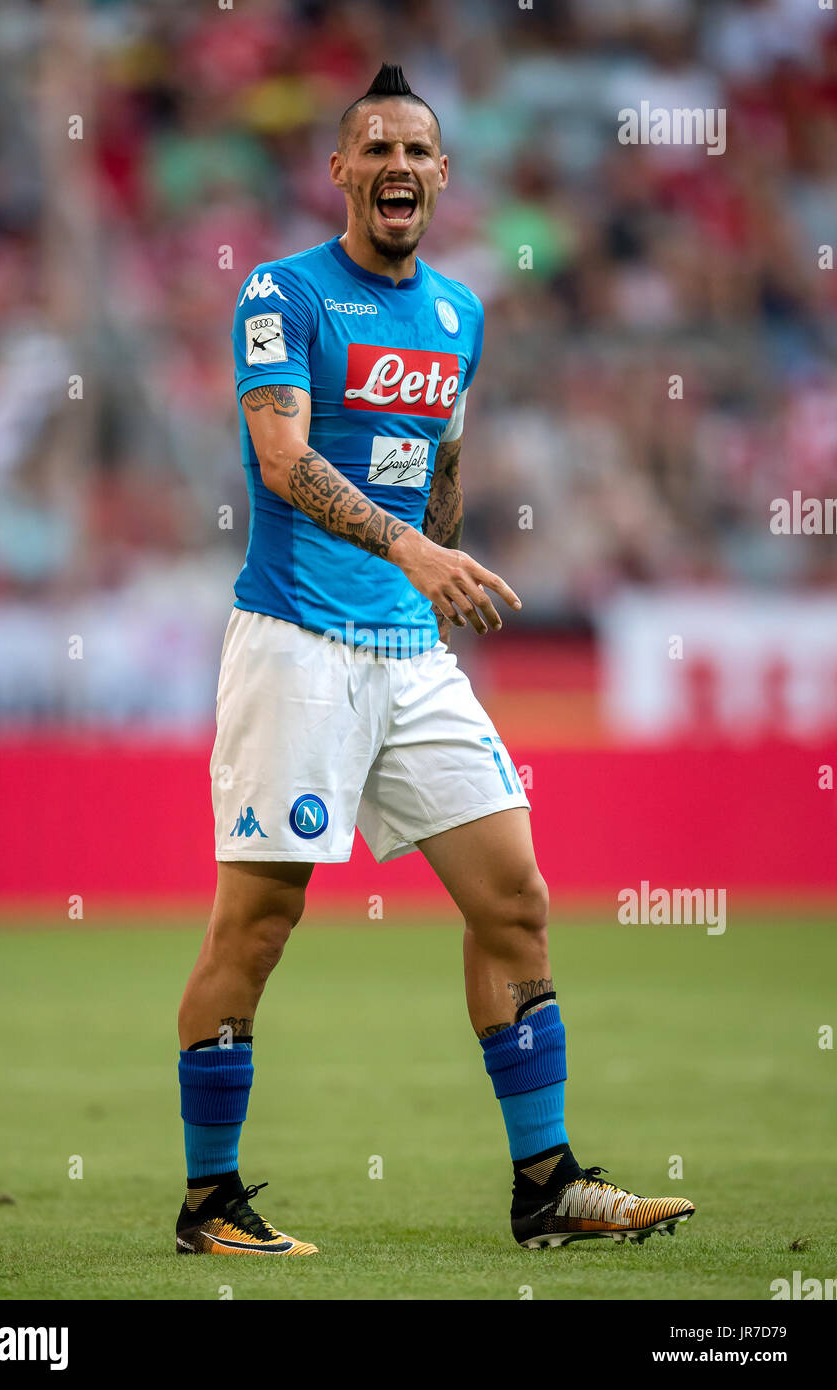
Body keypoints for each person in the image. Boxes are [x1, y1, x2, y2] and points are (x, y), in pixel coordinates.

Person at [174, 64, 695, 1256]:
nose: (398, 167)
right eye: (377, 150)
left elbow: (439, 453)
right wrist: (415, 551)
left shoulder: (458, 314)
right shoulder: (282, 292)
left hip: (408, 653)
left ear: (443, 176)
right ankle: (209, 1202)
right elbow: (280, 460)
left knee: (513, 899)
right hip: (295, 642)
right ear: (341, 171)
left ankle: (546, 1185)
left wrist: (439, 560)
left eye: (418, 151)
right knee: (257, 922)